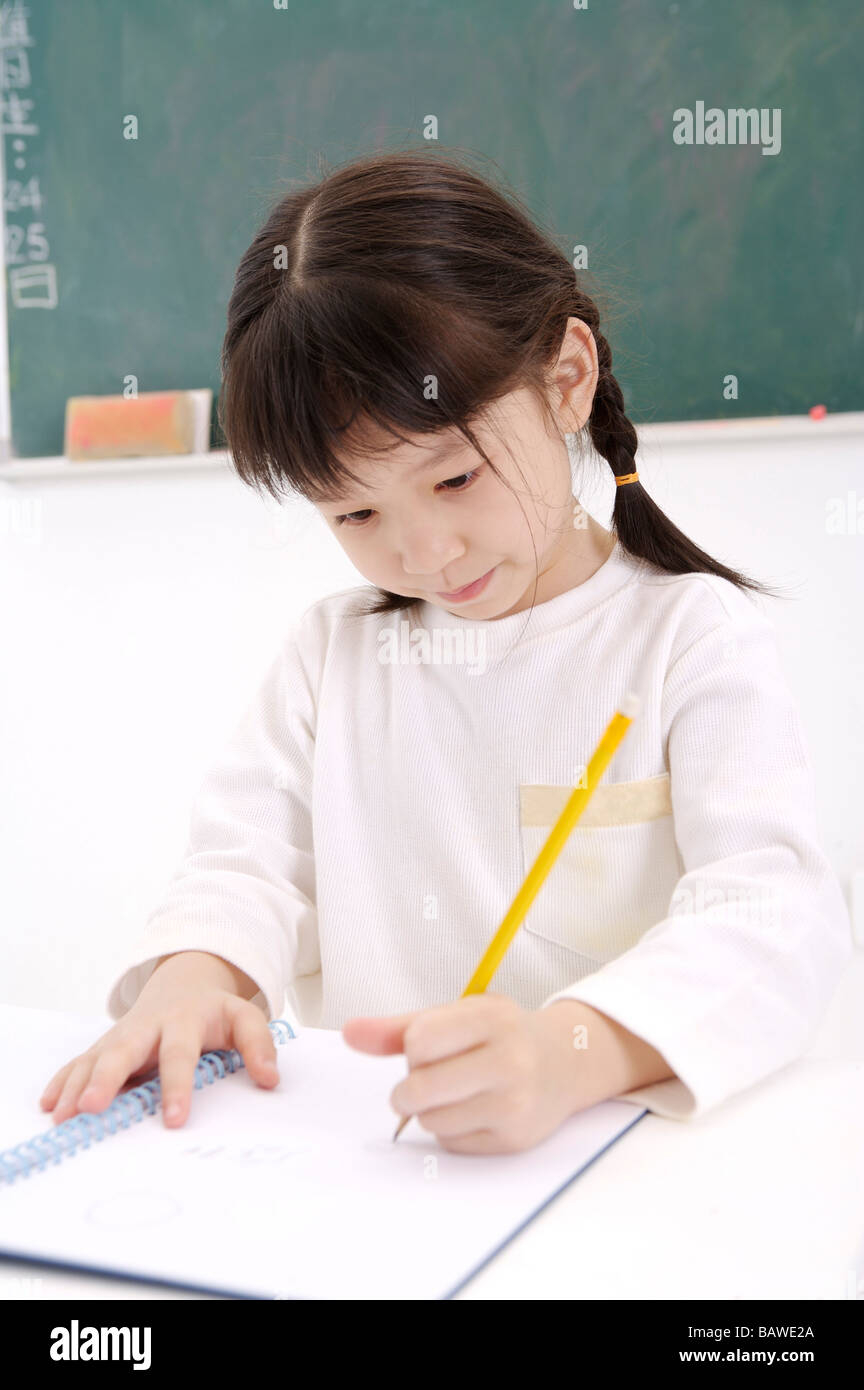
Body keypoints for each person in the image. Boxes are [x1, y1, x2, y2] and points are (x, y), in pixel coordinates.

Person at [39, 150, 852, 1155]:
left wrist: (566, 1054)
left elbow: (776, 918)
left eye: (456, 479)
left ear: (565, 379)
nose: (423, 551)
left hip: (620, 1178)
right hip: (385, 1175)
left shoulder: (689, 639)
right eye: (356, 510)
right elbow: (248, 866)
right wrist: (197, 974)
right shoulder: (329, 660)